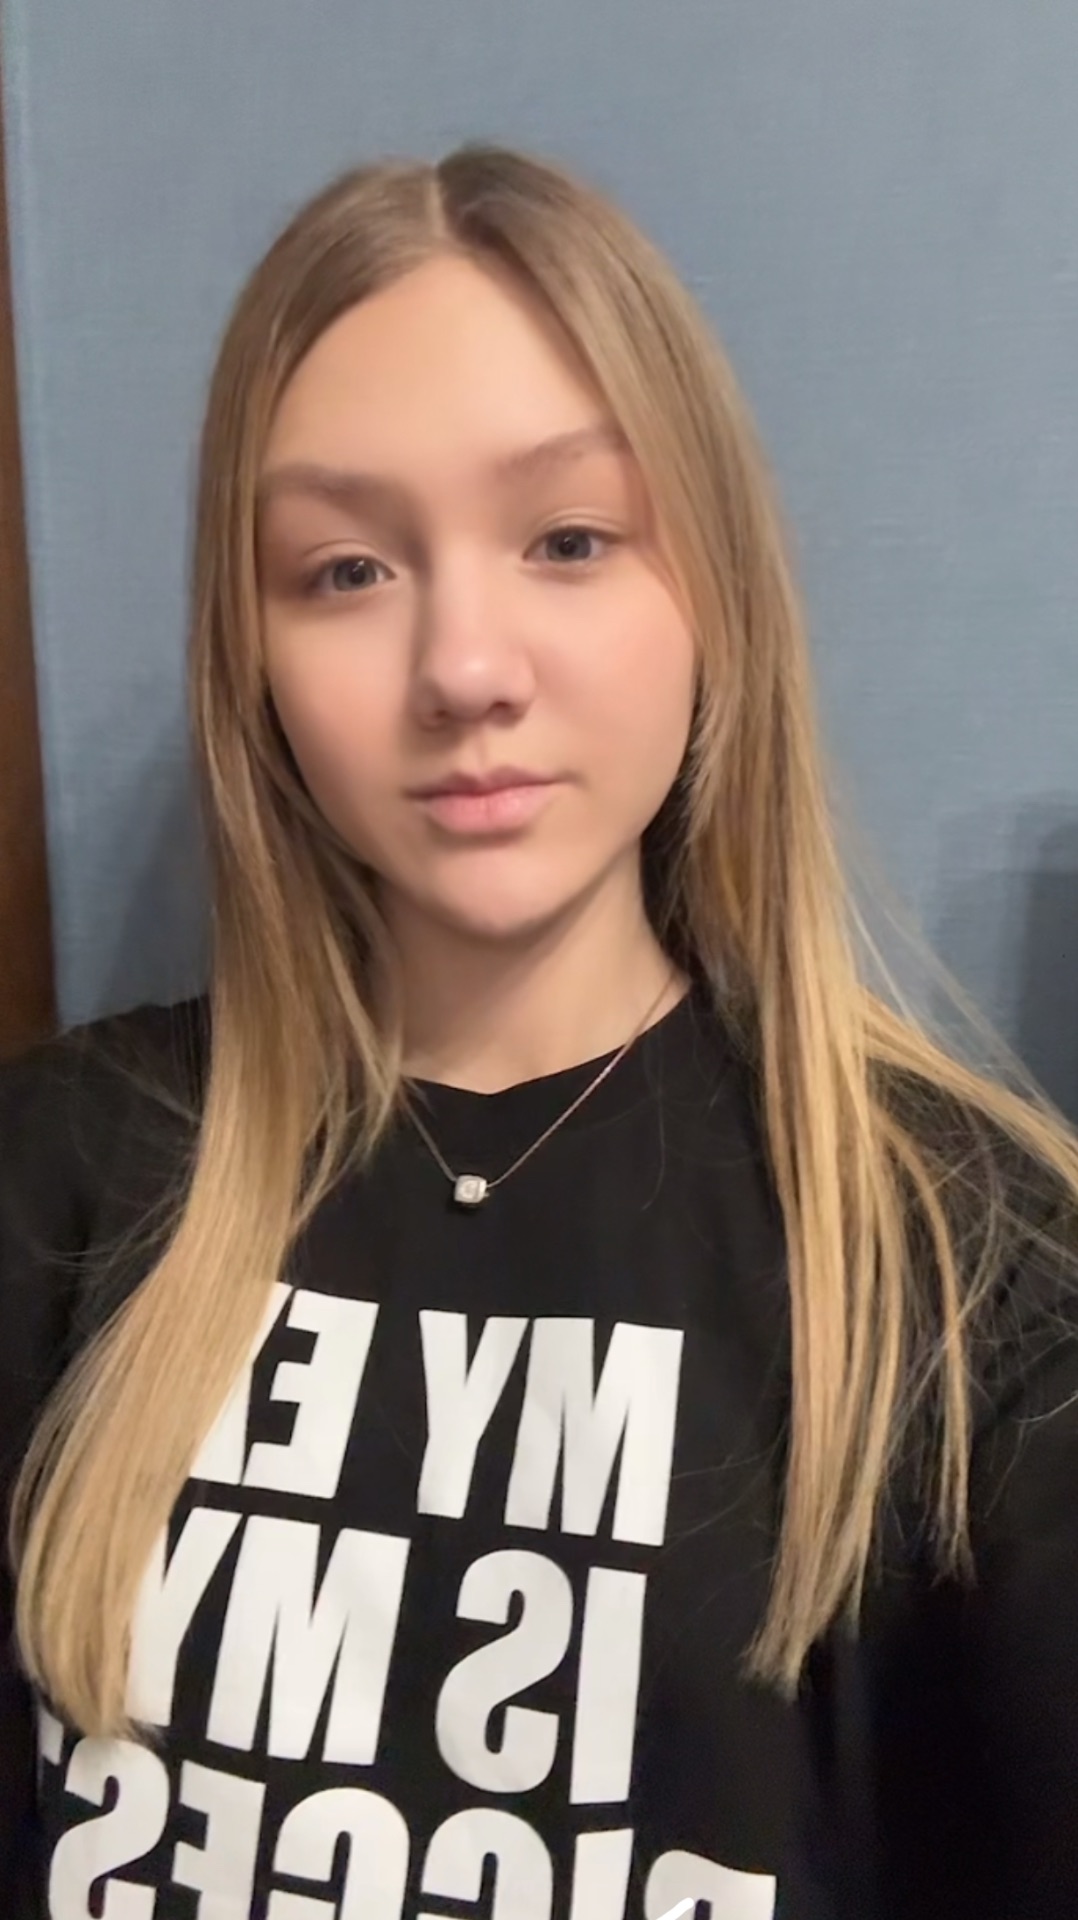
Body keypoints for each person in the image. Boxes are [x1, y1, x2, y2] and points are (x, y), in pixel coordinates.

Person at [1, 140, 1077, 1920]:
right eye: (346, 569)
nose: (464, 669)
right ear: (250, 655)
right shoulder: (57, 1178)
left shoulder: (972, 1277)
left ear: (709, 588)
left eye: (570, 540)